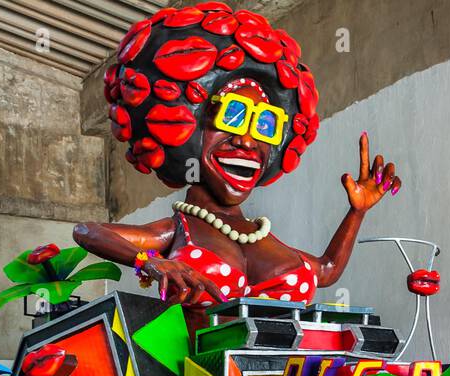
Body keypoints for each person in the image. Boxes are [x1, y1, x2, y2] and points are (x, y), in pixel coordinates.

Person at [73, 5, 401, 338]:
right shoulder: (180, 230)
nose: (247, 140)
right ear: (189, 128)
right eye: (233, 117)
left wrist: (356, 212)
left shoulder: (262, 235)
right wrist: (150, 261)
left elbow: (326, 270)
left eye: (265, 125)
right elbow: (88, 231)